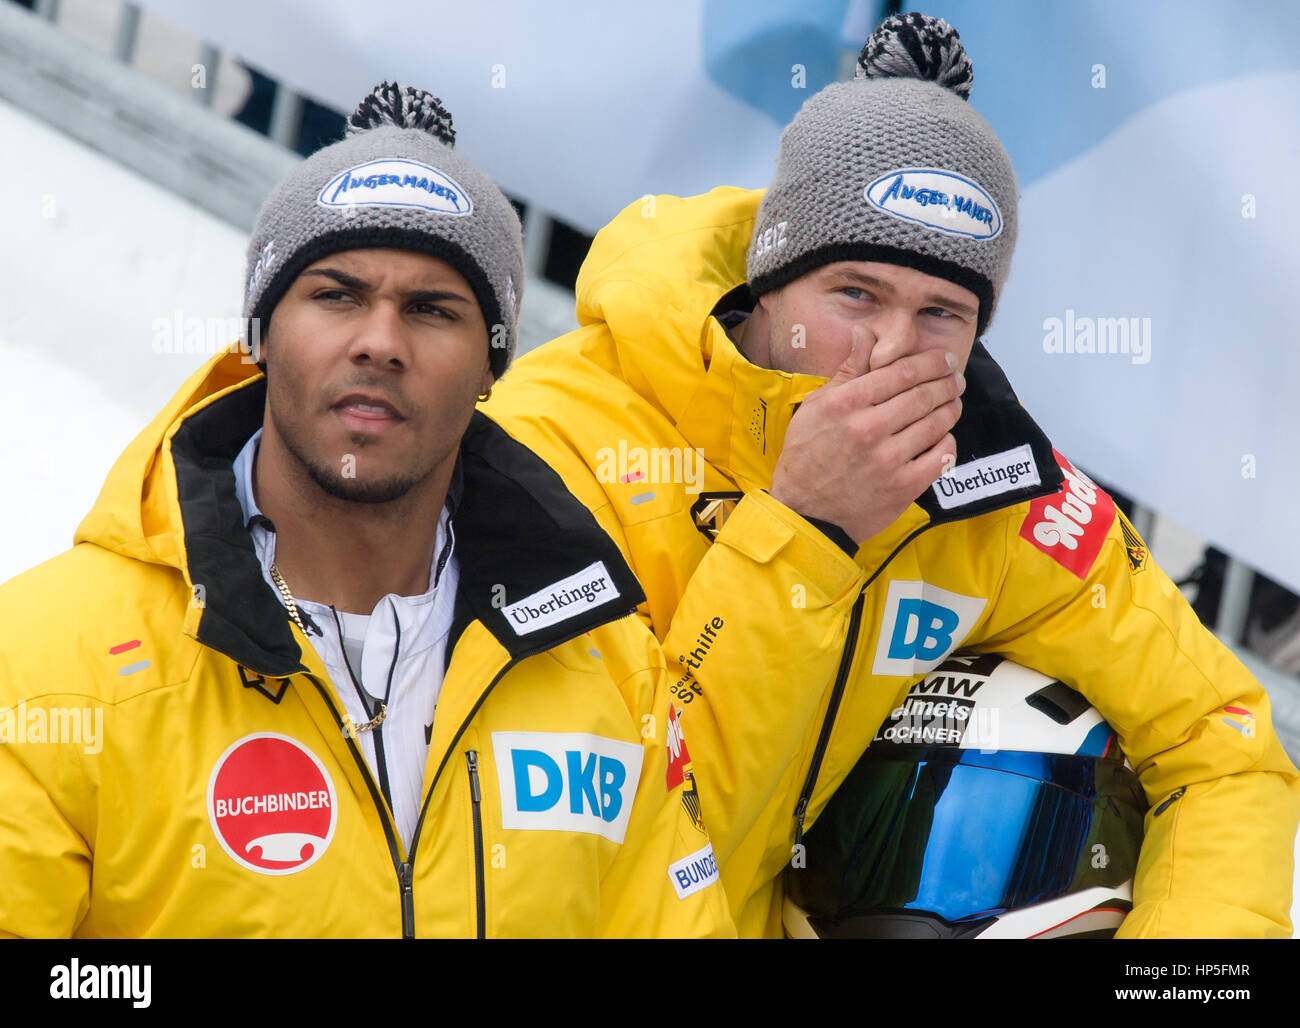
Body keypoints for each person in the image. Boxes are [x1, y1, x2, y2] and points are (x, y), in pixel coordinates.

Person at [483, 14, 1300, 937]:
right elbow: (620, 846)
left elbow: (1224, 745)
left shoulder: (992, 484)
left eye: (941, 314)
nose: (889, 351)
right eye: (856, 295)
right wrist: (805, 531)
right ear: (771, 281)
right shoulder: (559, 444)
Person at [0, 83, 730, 938]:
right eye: (337, 295)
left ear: (492, 369)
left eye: (432, 309)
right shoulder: (46, 658)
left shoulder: (606, 662)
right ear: (262, 337)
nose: (381, 340)